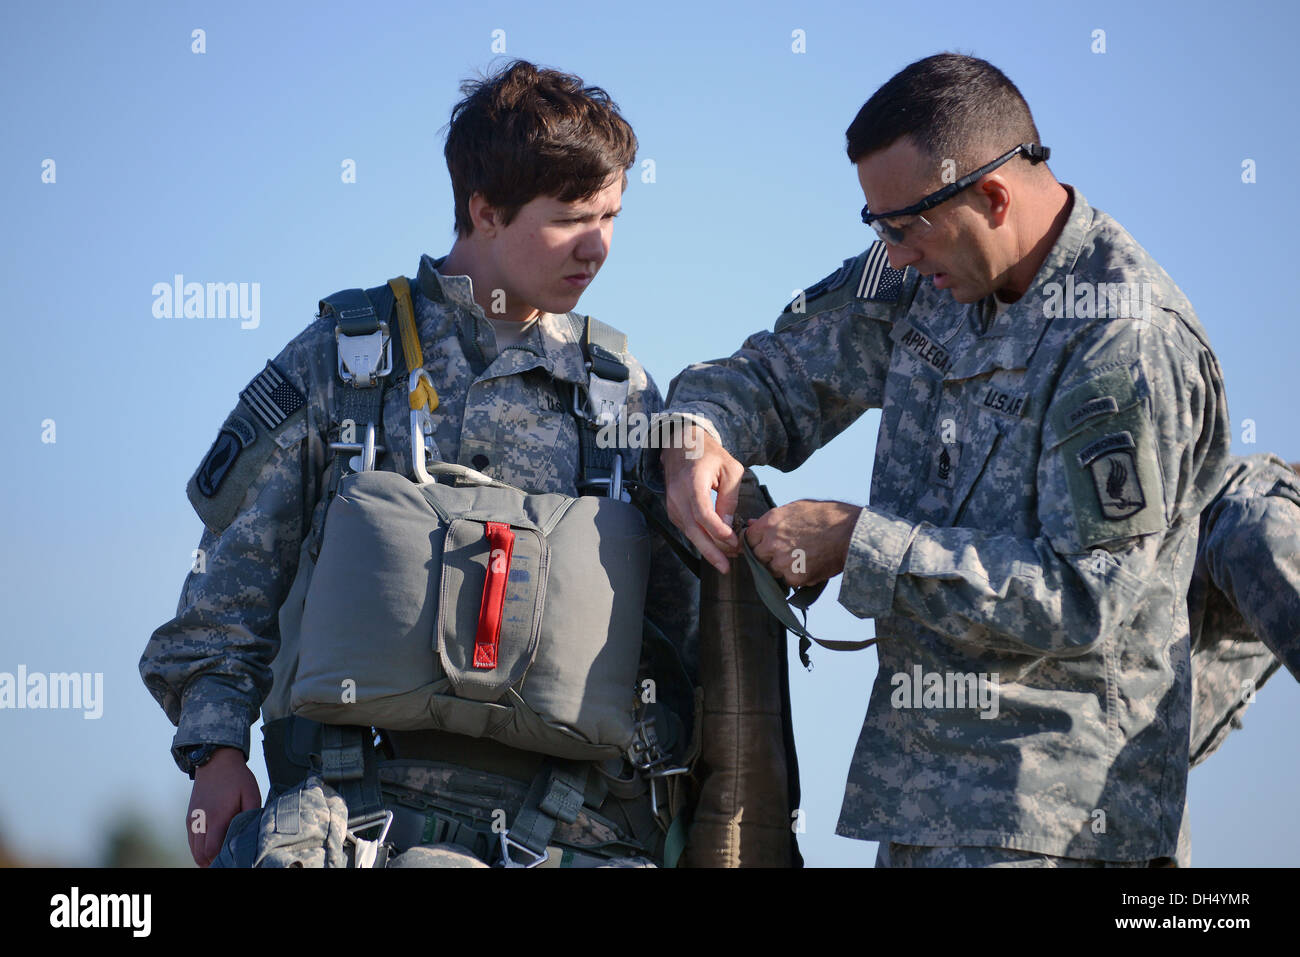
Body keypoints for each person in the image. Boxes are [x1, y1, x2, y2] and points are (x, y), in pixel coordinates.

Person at [658, 53, 1232, 867]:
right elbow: (773, 375)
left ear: (992, 196)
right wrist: (696, 434)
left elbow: (1084, 596)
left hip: (1055, 827)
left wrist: (861, 545)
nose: (890, 255)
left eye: (900, 227)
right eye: (875, 228)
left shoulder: (1124, 344)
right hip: (922, 810)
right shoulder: (925, 270)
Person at [140, 60, 701, 868]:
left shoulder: (622, 397)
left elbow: (681, 639)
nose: (599, 246)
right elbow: (228, 587)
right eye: (573, 218)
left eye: (612, 215)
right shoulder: (342, 362)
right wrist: (215, 750)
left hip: (570, 825)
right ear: (485, 211)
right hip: (348, 813)